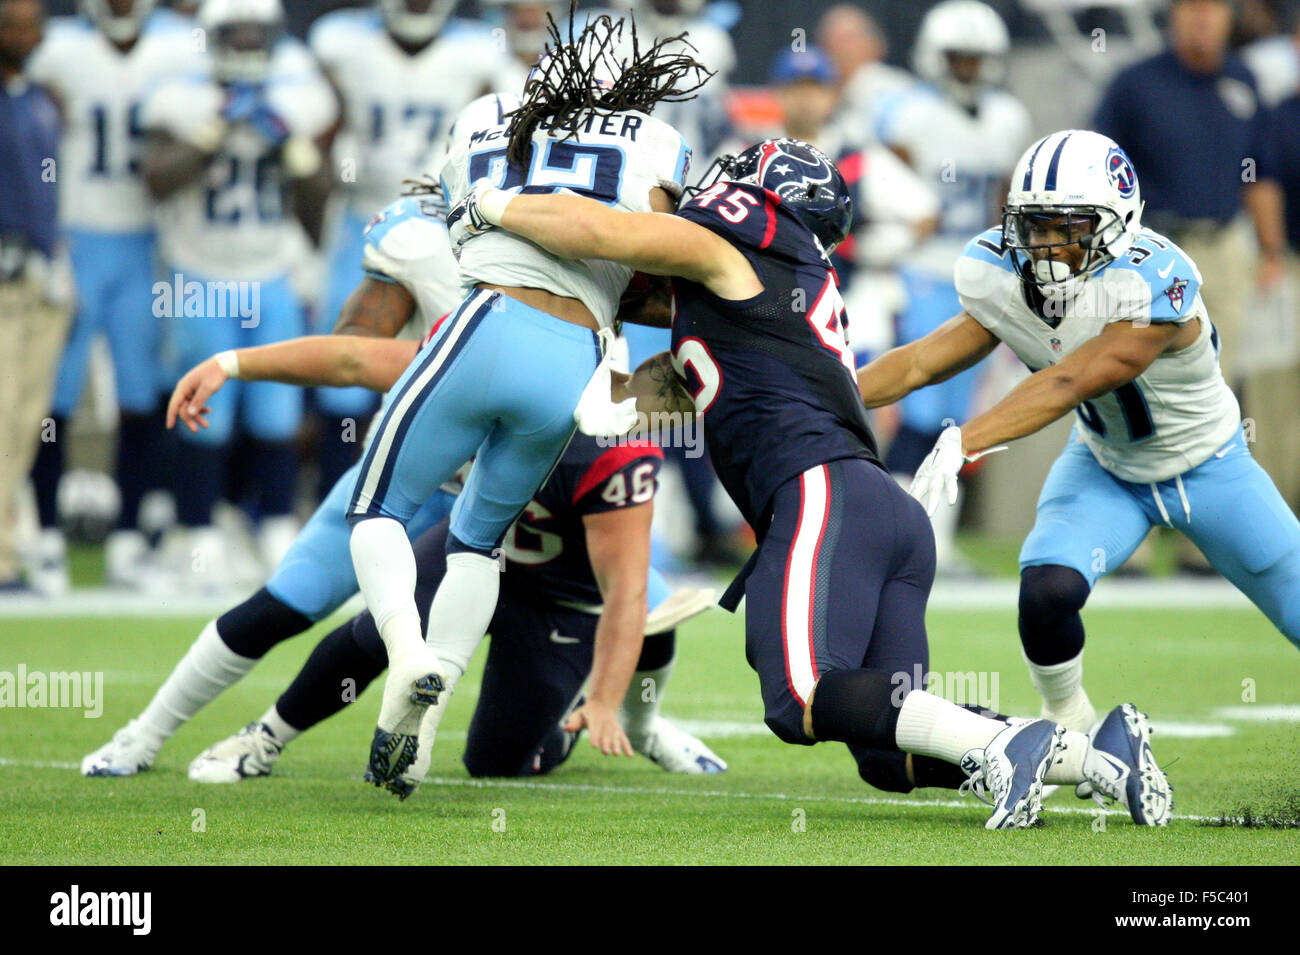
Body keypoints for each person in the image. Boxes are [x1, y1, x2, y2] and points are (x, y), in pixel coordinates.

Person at [450, 136, 1172, 828]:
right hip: (874, 510)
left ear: (763, 199)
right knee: (889, 757)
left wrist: (490, 205)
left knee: (799, 695)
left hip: (824, 494)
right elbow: (654, 363)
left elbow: (603, 232)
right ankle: (1095, 755)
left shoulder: (741, 243)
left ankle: (1001, 740)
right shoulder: (766, 293)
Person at [81, 174, 723, 786]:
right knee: (294, 605)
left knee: (646, 608)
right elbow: (355, 352)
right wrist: (231, 361)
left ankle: (643, 724)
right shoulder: (467, 301)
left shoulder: (591, 328)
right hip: (424, 485)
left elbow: (681, 309)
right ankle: (164, 732)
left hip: (532, 516)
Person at [347, 14, 702, 793]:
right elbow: (662, 269)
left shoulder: (484, 116)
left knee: (375, 509)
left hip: (491, 319)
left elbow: (457, 226)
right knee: (478, 542)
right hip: (579, 361)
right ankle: (429, 710)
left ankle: (409, 656)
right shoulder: (658, 144)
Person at [857, 129, 1300, 741]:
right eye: (1034, 227)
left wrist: (967, 437)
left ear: (1117, 223)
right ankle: (1067, 721)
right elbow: (918, 363)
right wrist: (820, 397)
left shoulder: (1153, 280)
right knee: (1046, 589)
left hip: (1211, 466)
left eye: (1066, 227)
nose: (1045, 246)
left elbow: (1072, 380)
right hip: (1105, 466)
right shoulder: (1004, 273)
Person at [136, 0, 337, 589]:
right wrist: (213, 131)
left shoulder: (298, 89)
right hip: (200, 271)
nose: (248, 44)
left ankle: (275, 526)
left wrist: (288, 144)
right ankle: (196, 531)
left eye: (258, 34)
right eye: (237, 33)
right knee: (207, 415)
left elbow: (319, 201)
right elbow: (155, 179)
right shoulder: (181, 93)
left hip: (272, 270)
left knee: (275, 413)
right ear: (214, 37)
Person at [24, 0, 193, 593]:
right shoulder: (60, 48)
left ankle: (128, 538)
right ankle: (42, 535)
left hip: (147, 242)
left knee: (142, 394)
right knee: (53, 396)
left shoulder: (179, 44)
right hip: (75, 237)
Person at [307, 0, 508, 496]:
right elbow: (317, 134)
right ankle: (337, 492)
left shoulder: (476, 53)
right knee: (348, 359)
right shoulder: (341, 43)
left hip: (447, 228)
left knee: (447, 359)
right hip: (361, 220)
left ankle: (425, 495)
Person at [871, 0, 1031, 573]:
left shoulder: (1008, 116)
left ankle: (932, 540)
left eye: (975, 57)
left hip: (981, 277)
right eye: (957, 56)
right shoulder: (906, 113)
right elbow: (879, 185)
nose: (966, 66)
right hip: (920, 271)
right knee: (915, 414)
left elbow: (1007, 199)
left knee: (958, 422)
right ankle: (896, 536)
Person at [1092, 0, 1286, 394]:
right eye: (1191, 6)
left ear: (1230, 17)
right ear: (1174, 14)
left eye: (1213, 7)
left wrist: (1270, 251)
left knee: (1219, 381)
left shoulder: (1242, 79)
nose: (1202, 17)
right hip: (1151, 249)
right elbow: (1098, 169)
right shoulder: (1135, 84)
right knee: (1142, 381)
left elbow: (1259, 172)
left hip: (1223, 246)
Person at [0, 0, 70, 593]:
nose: (26, 34)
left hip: (40, 274)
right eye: (13, 23)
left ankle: (8, 550)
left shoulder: (39, 98)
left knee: (25, 420)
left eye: (32, 23)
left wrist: (54, 255)